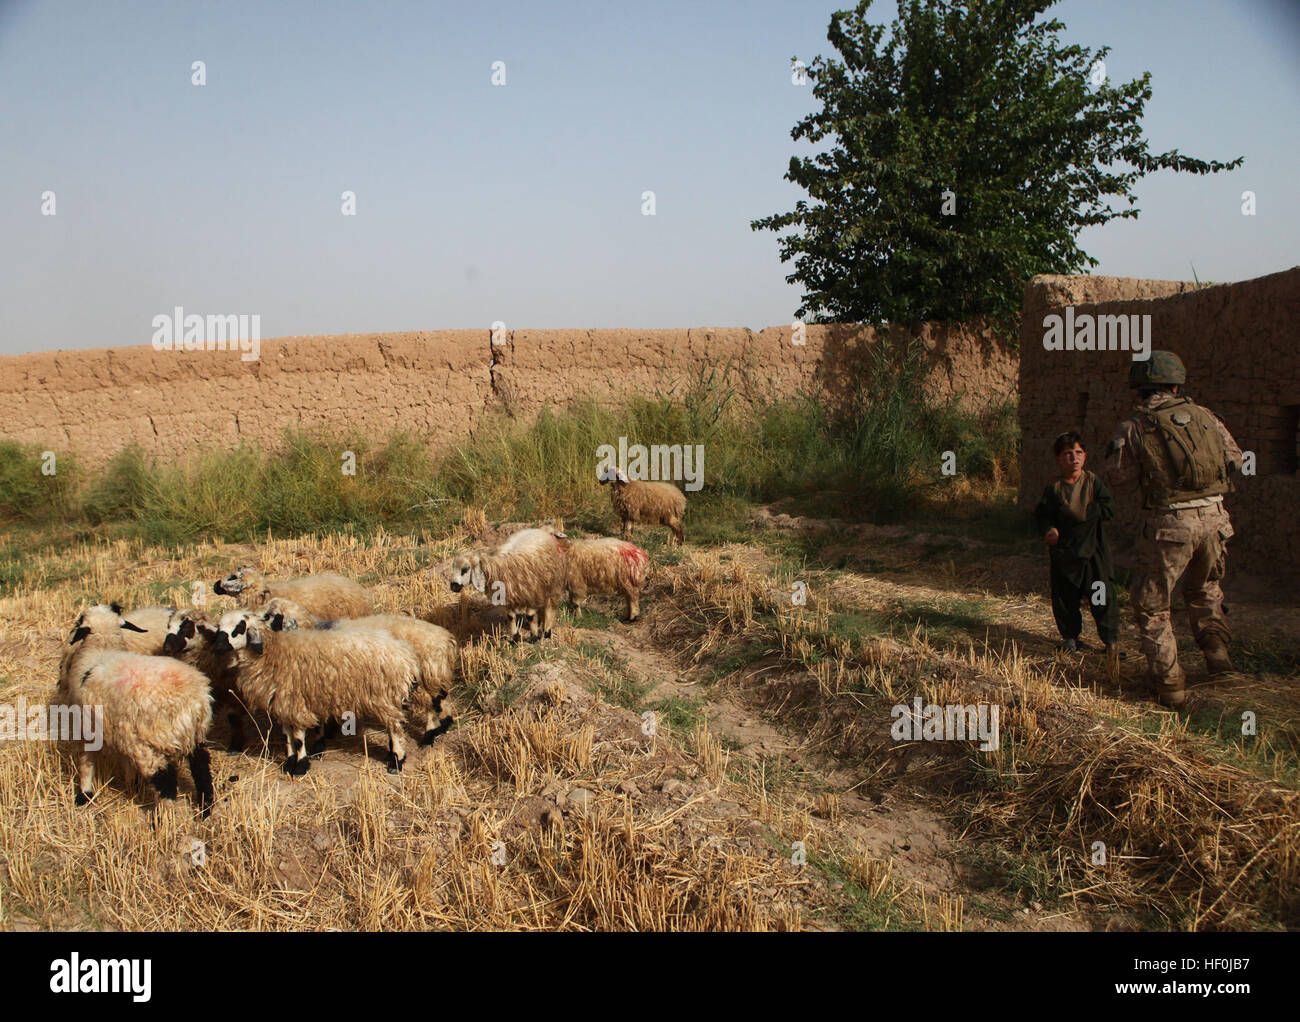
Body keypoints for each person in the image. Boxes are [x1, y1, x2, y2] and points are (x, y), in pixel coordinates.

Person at [1104, 351, 1241, 708]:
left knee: (1152, 605)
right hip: (1215, 519)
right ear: (1176, 383)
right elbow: (1236, 461)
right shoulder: (1207, 417)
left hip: (1169, 526)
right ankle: (1218, 657)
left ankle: (1171, 685)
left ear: (1140, 388)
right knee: (1205, 588)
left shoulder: (1134, 426)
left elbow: (1118, 478)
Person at [1034, 430, 1120, 655]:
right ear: (1058, 459)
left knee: (1101, 597)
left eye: (1078, 452)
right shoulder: (1054, 490)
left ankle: (1110, 641)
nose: (1074, 458)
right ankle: (1070, 637)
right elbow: (1043, 516)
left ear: (1085, 456)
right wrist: (1050, 529)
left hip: (1093, 555)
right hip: (1066, 555)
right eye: (1068, 454)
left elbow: (1109, 508)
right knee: (1065, 598)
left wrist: (1086, 511)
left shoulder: (1093, 483)